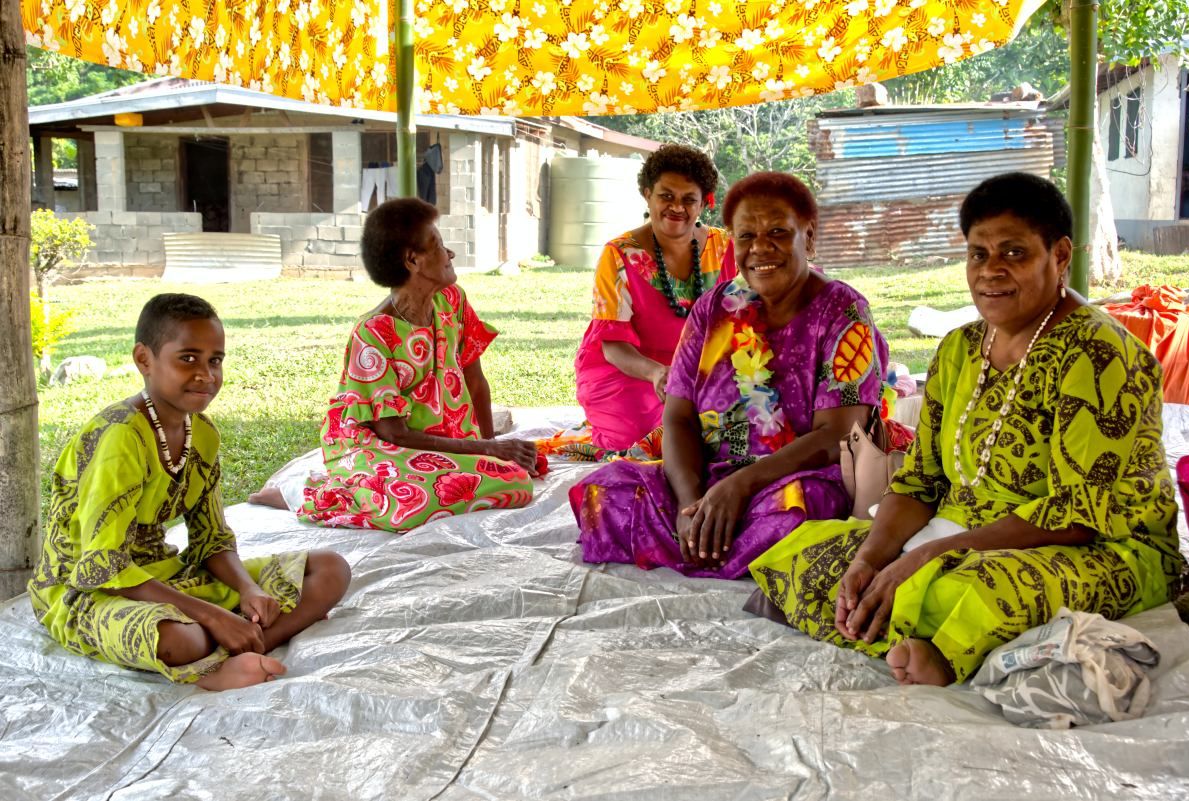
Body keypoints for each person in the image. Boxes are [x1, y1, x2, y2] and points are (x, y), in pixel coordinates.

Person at [749, 173, 1182, 686]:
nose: (990, 272)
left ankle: (933, 646)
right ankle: (902, 625)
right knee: (807, 553)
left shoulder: (1097, 353)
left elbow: (1078, 513)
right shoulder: (959, 349)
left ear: (1060, 256)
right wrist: (874, 556)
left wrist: (931, 553)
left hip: (1097, 545)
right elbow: (921, 480)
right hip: (957, 531)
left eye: (1014, 253)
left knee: (976, 592)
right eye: (978, 254)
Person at [570, 172, 889, 578]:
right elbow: (678, 416)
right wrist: (692, 503)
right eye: (746, 236)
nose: (760, 248)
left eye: (777, 232)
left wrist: (738, 489)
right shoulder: (712, 309)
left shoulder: (843, 311)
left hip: (790, 478)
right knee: (606, 492)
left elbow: (835, 436)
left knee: (799, 510)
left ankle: (712, 545)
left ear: (808, 237)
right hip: (710, 477)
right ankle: (706, 538)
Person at [28, 294, 351, 690]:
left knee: (330, 569)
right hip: (87, 589)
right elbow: (103, 566)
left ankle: (246, 645)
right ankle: (224, 656)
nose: (206, 374)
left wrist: (247, 589)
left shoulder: (202, 434)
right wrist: (215, 616)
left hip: (165, 576)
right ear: (144, 360)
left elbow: (211, 539)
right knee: (179, 640)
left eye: (215, 360)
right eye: (188, 358)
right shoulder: (120, 438)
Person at [263, 197, 537, 531]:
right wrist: (487, 448)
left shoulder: (453, 301)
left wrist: (491, 449)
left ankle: (368, 488)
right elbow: (393, 432)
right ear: (413, 260)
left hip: (444, 437)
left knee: (515, 480)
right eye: (438, 245)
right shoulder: (373, 333)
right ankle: (303, 493)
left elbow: (475, 381)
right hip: (381, 445)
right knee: (411, 503)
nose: (449, 254)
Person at [573, 143, 738, 452]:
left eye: (689, 199)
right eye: (666, 196)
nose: (677, 207)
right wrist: (658, 373)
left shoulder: (725, 248)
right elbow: (613, 346)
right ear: (647, 193)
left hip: (700, 372)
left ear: (704, 203)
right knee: (643, 439)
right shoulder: (619, 254)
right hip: (630, 371)